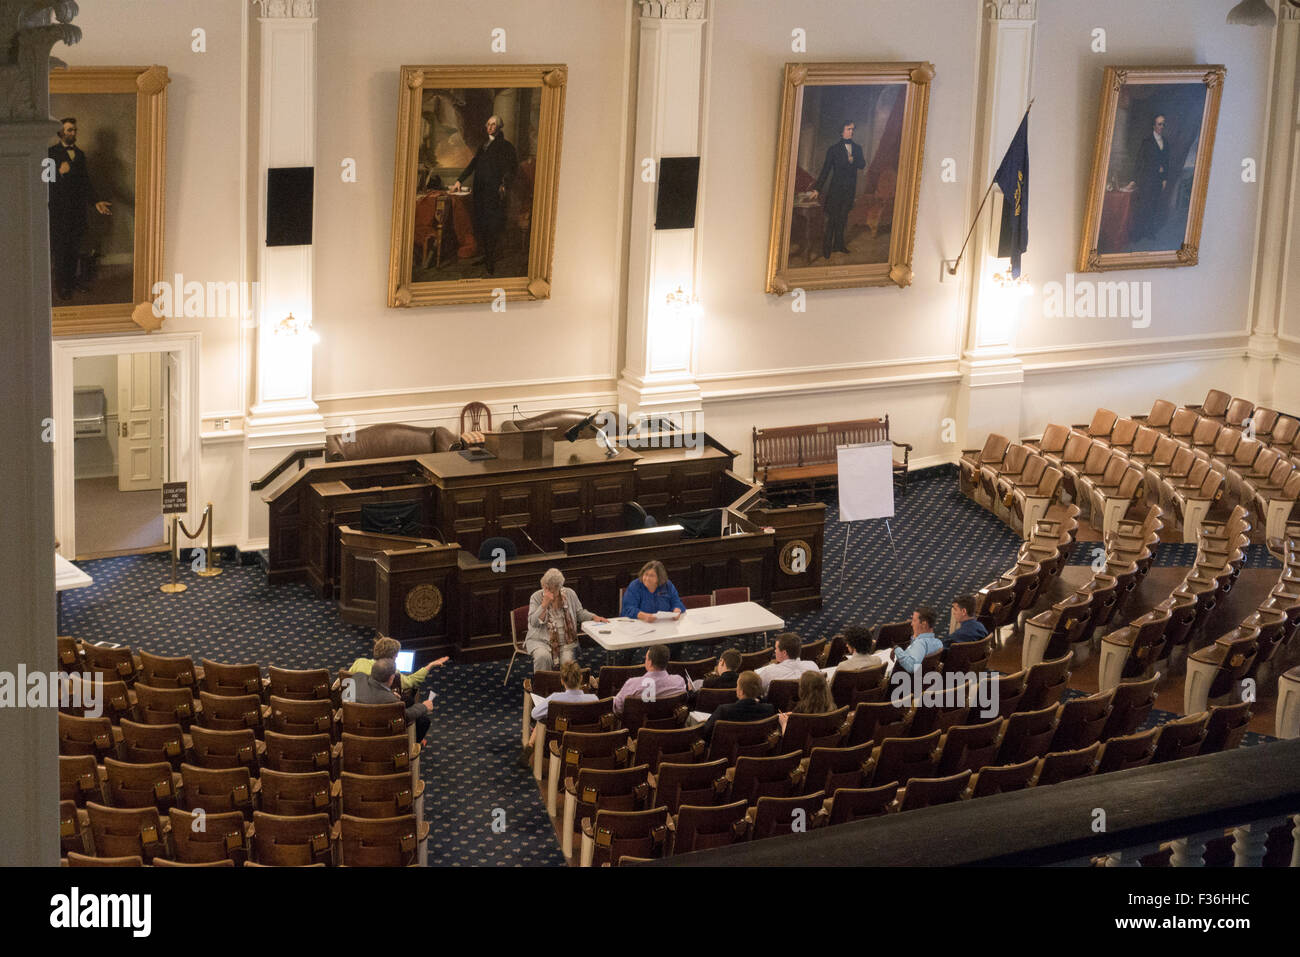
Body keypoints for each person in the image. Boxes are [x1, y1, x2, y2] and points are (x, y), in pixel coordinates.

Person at [48, 117, 112, 301]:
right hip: (59, 214)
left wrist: (96, 202)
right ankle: (62, 287)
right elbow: (43, 183)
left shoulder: (81, 154)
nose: (72, 133)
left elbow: (85, 184)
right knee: (61, 252)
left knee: (75, 250)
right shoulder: (49, 153)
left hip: (77, 213)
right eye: (69, 130)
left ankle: (72, 282)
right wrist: (59, 173)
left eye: (74, 130)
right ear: (60, 133)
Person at [453, 114, 518, 276]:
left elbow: (512, 168)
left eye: (493, 124)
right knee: (480, 223)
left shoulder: (506, 146)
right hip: (480, 191)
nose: (490, 127)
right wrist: (459, 180)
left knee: (492, 225)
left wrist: (504, 184)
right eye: (488, 124)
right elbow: (473, 164)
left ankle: (490, 260)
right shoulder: (484, 145)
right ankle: (485, 255)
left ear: (499, 127)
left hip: (493, 192)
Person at [525, 567, 607, 672]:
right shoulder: (536, 597)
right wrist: (544, 605)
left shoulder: (569, 594)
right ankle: (543, 687)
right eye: (545, 588)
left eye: (550, 589)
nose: (546, 591)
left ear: (559, 587)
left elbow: (580, 613)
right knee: (543, 657)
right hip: (541, 640)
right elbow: (533, 622)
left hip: (566, 642)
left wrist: (594, 617)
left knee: (567, 662)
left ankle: (566, 687)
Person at [808, 120, 866, 260]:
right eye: (848, 129)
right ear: (842, 131)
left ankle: (839, 245)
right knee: (832, 219)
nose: (851, 131)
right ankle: (826, 249)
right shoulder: (833, 149)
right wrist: (817, 189)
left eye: (852, 129)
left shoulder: (857, 148)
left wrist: (854, 160)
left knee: (843, 219)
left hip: (849, 190)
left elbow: (862, 165)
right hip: (835, 190)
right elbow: (825, 171)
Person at [520, 660, 596, 766]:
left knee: (544, 718)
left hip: (557, 742)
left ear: (562, 681)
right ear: (581, 678)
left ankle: (530, 745)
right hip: (585, 743)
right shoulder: (593, 700)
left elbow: (534, 714)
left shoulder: (555, 699)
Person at [354, 657, 434, 743]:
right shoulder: (391, 702)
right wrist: (424, 707)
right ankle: (413, 745)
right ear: (391, 678)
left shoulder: (357, 677)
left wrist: (389, 693)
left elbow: (373, 690)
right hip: (380, 734)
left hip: (355, 724)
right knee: (424, 721)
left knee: (408, 700)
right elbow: (405, 716)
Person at [349, 636, 447, 693]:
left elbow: (347, 678)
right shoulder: (392, 673)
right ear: (390, 658)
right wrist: (430, 665)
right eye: (396, 656)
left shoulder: (359, 662)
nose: (396, 659)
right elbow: (412, 681)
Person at [1127, 114, 1169, 243]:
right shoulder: (1147, 142)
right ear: (1154, 125)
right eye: (1159, 124)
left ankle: (1149, 232)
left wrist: (1164, 179)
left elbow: (1166, 163)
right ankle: (1137, 234)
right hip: (1146, 179)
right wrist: (1134, 179)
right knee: (1143, 207)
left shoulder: (1166, 143)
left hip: (1158, 180)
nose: (1161, 126)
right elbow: (1140, 161)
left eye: (1163, 124)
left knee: (1153, 206)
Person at [701, 670, 776, 741]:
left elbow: (705, 734)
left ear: (741, 692)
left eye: (737, 685)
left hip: (725, 753)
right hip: (758, 753)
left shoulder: (724, 711)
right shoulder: (769, 709)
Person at [612, 644, 686, 715]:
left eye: (646, 658)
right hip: (669, 726)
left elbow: (618, 708)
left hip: (636, 726)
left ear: (650, 662)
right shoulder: (679, 682)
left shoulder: (632, 684)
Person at [620, 560, 685, 622]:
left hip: (663, 623)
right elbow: (628, 608)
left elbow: (677, 602)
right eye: (645, 574)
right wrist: (643, 616)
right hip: (639, 624)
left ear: (659, 577)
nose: (647, 578)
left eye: (651, 576)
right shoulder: (635, 585)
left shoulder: (667, 585)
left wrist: (677, 610)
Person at [754, 632, 819, 693]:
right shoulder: (812, 666)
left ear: (784, 653)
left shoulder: (770, 672)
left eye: (776, 648)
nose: (775, 651)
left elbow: (756, 690)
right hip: (807, 704)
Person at [894, 606, 943, 675]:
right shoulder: (938, 643)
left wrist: (897, 649)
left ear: (924, 624)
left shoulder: (920, 644)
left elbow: (911, 667)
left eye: (914, 620)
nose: (911, 624)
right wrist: (915, 638)